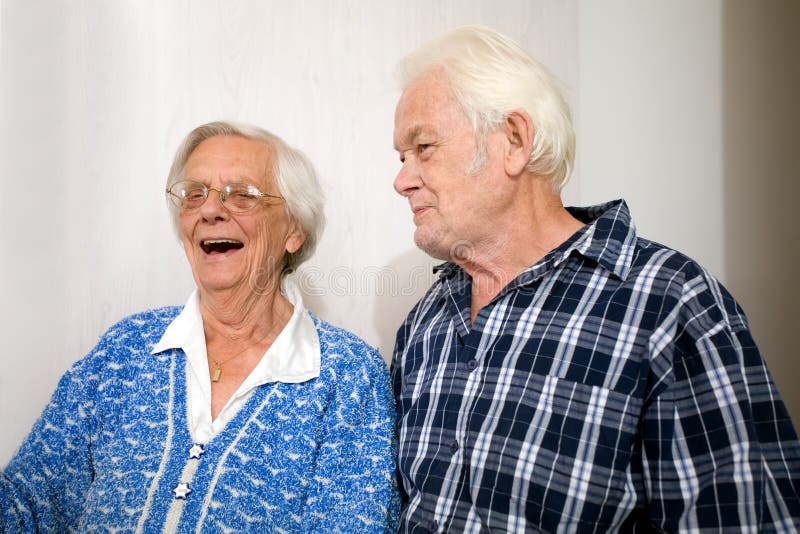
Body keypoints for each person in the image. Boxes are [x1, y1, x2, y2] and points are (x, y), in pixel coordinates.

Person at [390, 25, 800, 532]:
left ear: (514, 141)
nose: (401, 180)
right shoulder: (424, 325)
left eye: (423, 147)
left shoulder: (671, 305)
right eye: (400, 157)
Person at [1, 121, 399, 532]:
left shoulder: (348, 376)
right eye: (194, 195)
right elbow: (28, 501)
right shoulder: (126, 349)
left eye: (242, 195)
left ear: (294, 230)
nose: (209, 210)